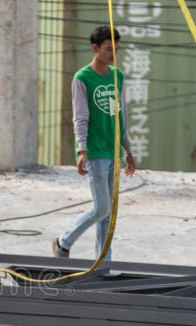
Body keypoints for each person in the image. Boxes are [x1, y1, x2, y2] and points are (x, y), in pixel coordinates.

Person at [53, 25, 136, 261]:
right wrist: (82, 150)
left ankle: (103, 260)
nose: (113, 53)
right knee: (101, 208)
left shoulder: (117, 76)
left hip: (114, 151)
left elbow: (122, 116)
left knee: (109, 214)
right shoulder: (82, 78)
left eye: (116, 49)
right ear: (95, 48)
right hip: (96, 152)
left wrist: (128, 149)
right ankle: (64, 241)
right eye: (109, 49)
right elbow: (80, 117)